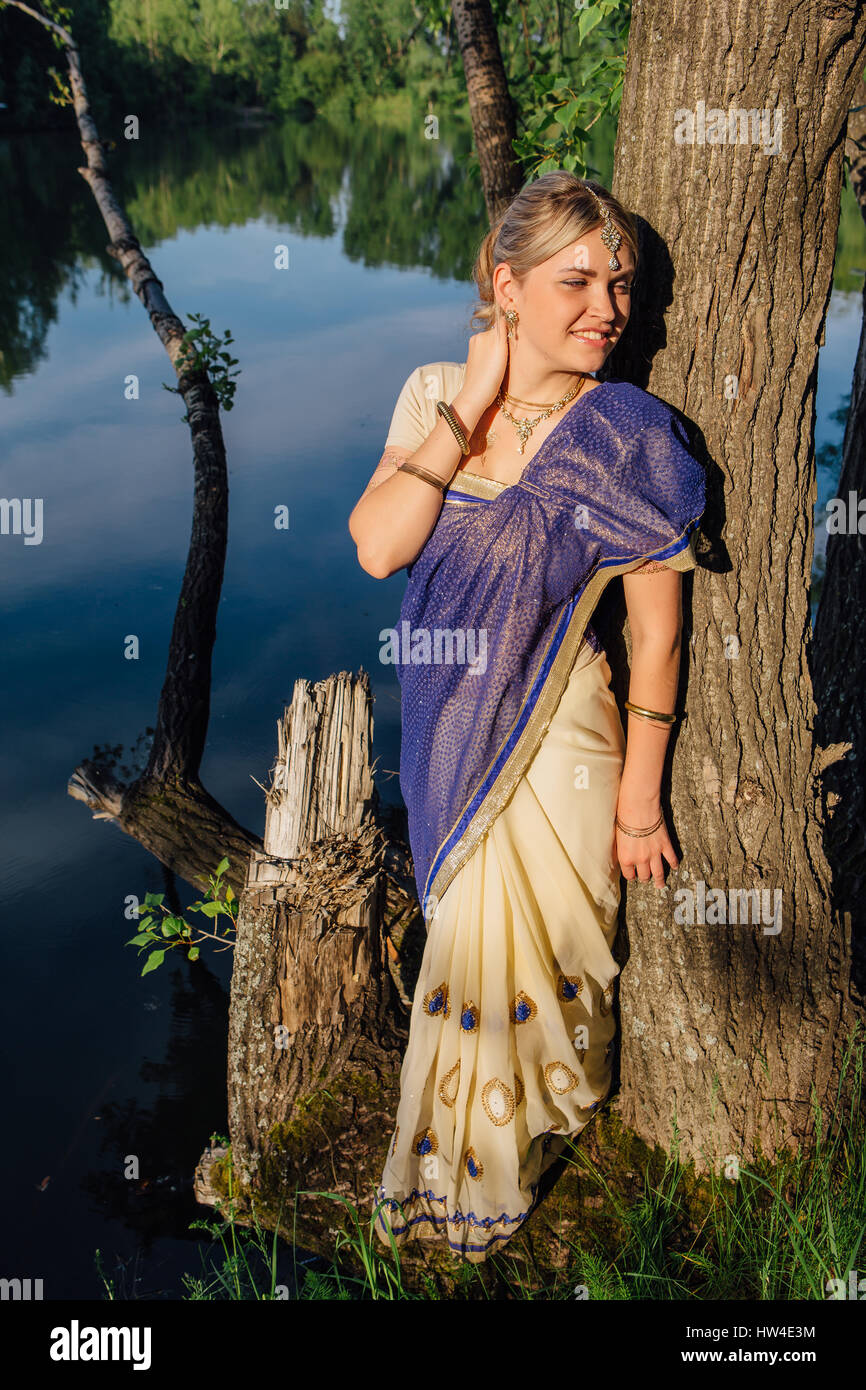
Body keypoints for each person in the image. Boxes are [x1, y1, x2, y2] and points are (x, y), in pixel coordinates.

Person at [347, 171, 706, 1264]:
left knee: (534, 976)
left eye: (620, 284)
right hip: (449, 738)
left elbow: (656, 635)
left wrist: (640, 800)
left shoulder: (628, 436)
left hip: (561, 757)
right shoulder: (431, 398)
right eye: (576, 281)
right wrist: (472, 398)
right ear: (505, 285)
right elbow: (378, 544)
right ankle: (449, 1195)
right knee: (464, 963)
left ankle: (503, 1169)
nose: (607, 307)